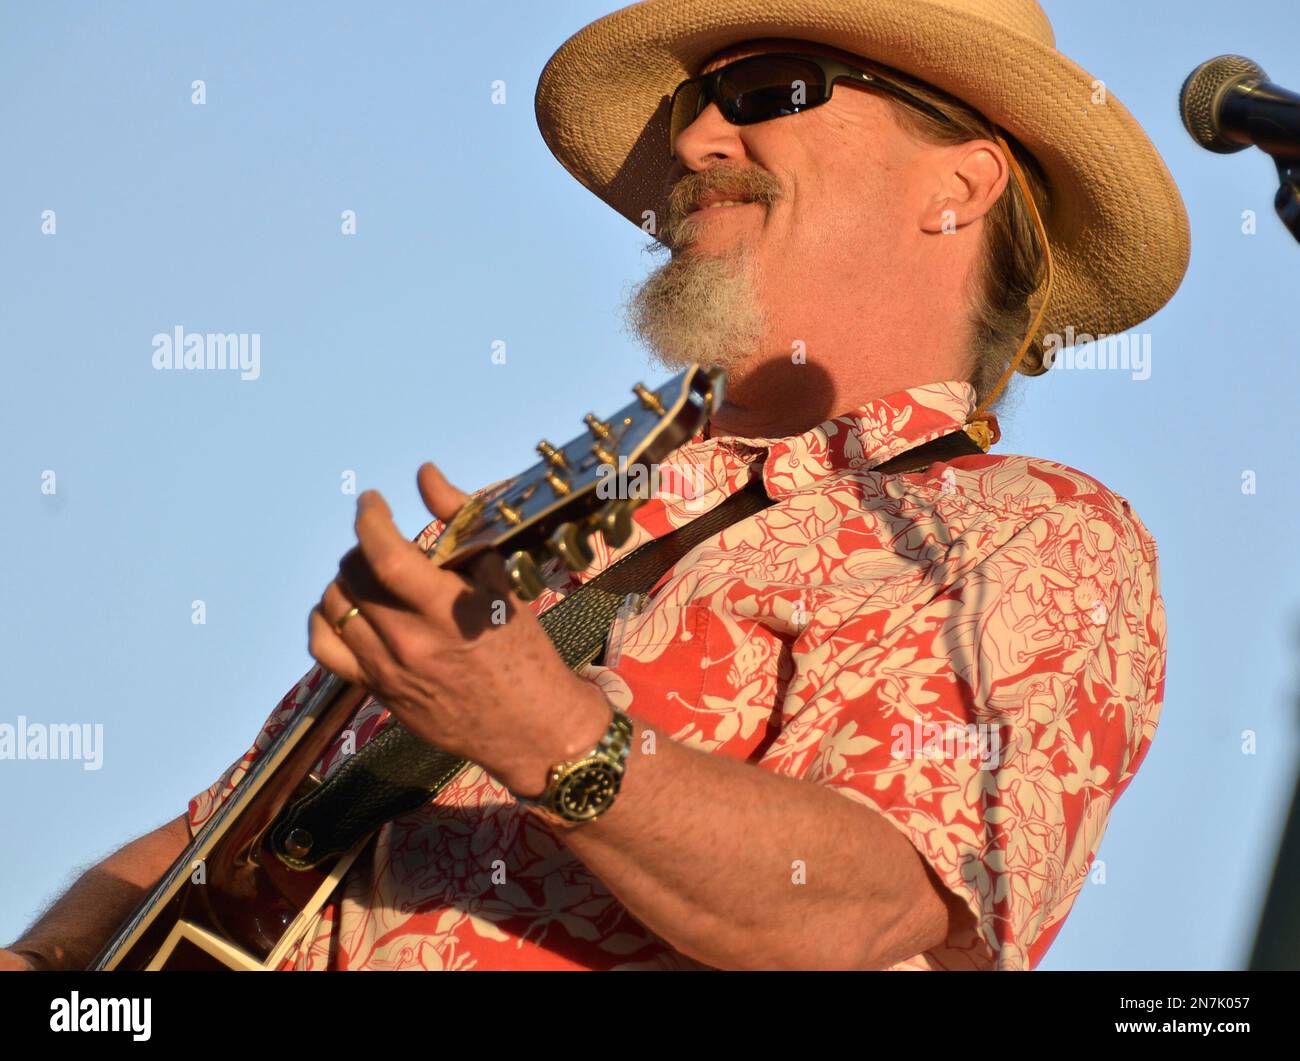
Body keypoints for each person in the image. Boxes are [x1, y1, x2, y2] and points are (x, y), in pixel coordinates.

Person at [4, 0, 1188, 971]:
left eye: (765, 89)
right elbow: (227, 839)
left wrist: (548, 733)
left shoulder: (1029, 535)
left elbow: (871, 907)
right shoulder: (554, 509)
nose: (693, 145)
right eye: (688, 108)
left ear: (962, 184)